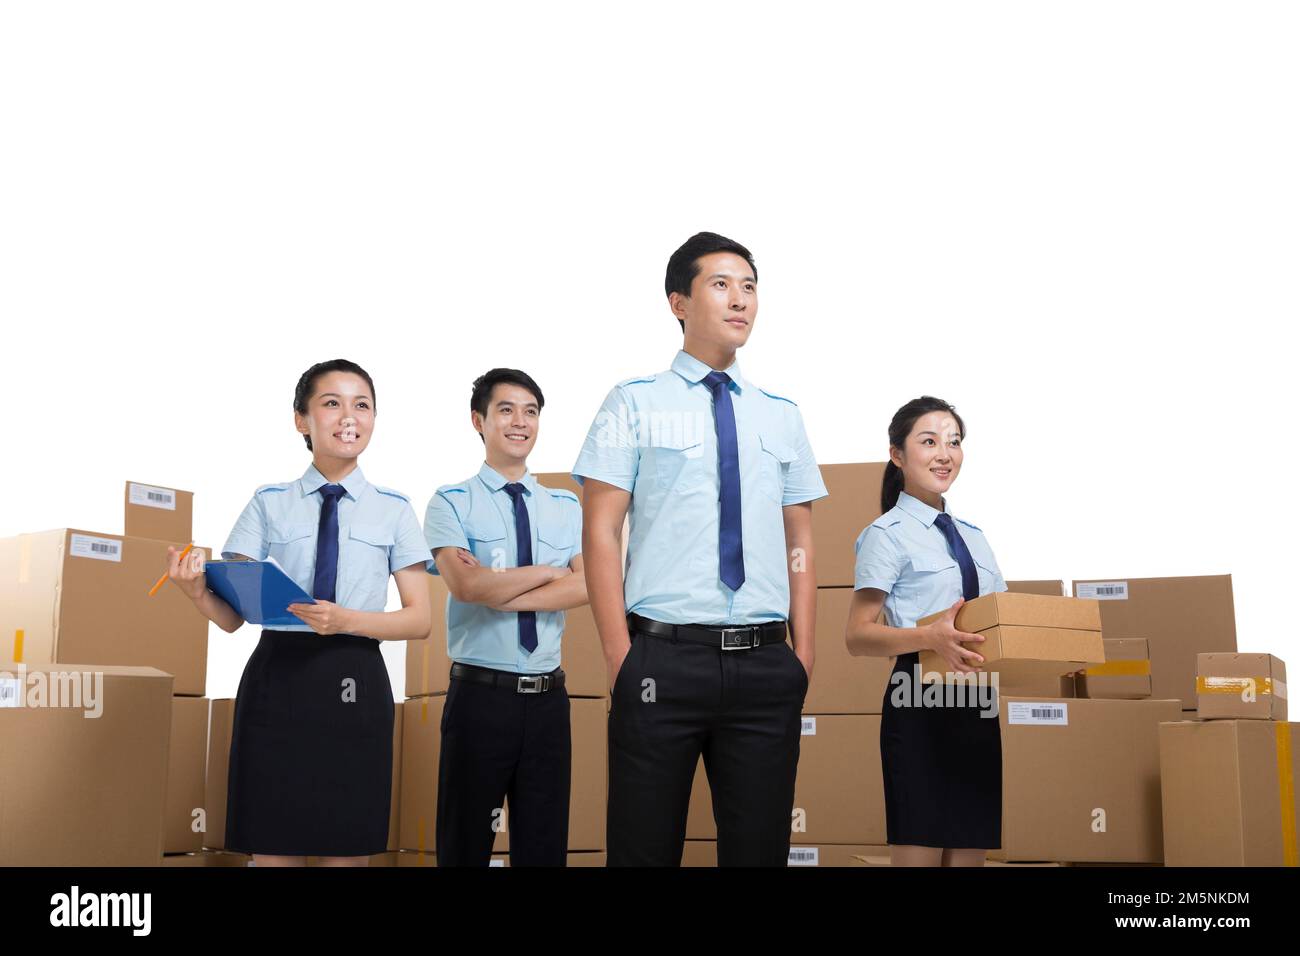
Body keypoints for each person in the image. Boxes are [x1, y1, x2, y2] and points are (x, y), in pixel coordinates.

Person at [573, 231, 827, 866]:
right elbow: (601, 530)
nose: (740, 299)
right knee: (642, 851)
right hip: (662, 659)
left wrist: (804, 653)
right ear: (677, 302)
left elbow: (800, 539)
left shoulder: (781, 414)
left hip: (767, 666)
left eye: (749, 286)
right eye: (721, 284)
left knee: (758, 855)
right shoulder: (633, 403)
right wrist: (619, 657)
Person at [166, 358, 433, 867]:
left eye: (362, 405)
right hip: (278, 681)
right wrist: (195, 590)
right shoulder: (269, 504)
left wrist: (346, 620)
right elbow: (232, 615)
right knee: (273, 850)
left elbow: (419, 620)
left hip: (355, 679)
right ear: (301, 420)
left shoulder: (395, 509)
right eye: (331, 403)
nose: (348, 417)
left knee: (347, 850)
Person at [423, 368, 587, 866]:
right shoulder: (450, 502)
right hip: (480, 698)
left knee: (543, 849)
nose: (521, 422)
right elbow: (467, 586)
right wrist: (548, 573)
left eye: (531, 412)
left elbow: (591, 586)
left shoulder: (566, 506)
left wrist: (500, 589)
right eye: (506, 410)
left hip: (547, 703)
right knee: (464, 845)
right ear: (479, 420)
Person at [845, 396, 1007, 866]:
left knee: (969, 855)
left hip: (976, 700)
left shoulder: (974, 536)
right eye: (929, 441)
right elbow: (857, 635)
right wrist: (929, 638)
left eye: (954, 442)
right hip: (918, 699)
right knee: (919, 849)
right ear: (897, 455)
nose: (945, 453)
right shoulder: (887, 534)